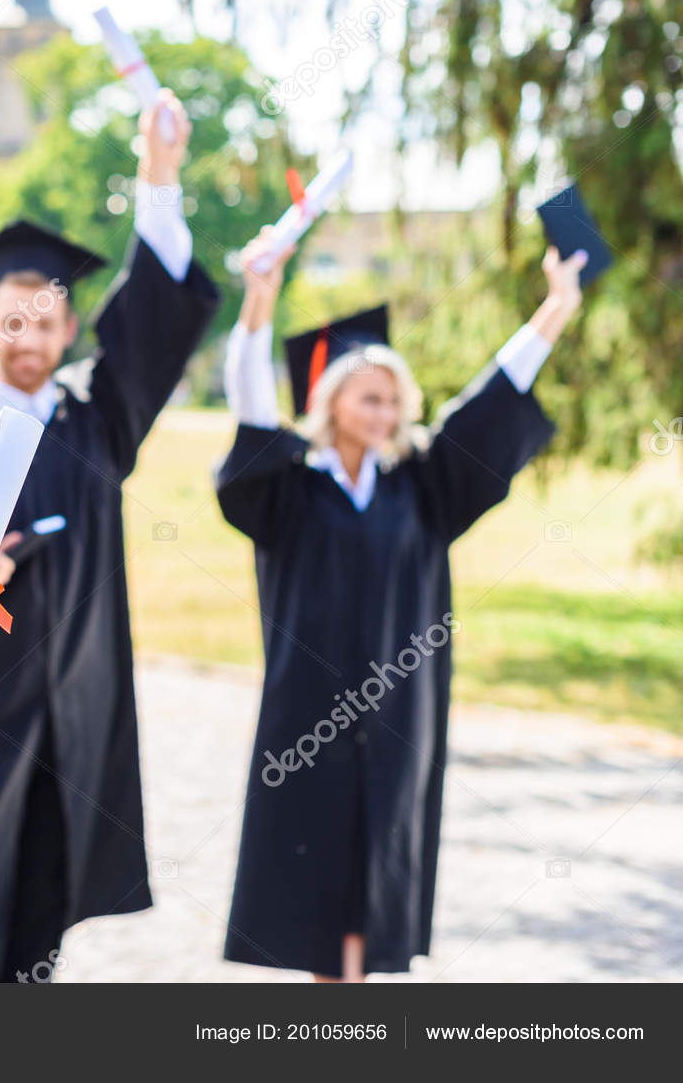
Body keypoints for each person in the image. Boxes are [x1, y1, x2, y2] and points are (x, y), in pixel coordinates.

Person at [0, 91, 221, 982]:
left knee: (45, 901)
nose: (33, 334)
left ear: (66, 328)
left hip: (76, 709)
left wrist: (160, 178)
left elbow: (154, 328)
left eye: (50, 318)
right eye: (14, 318)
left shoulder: (98, 420)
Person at [215, 228, 585, 981]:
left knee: (378, 871)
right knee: (316, 873)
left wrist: (554, 309)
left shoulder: (424, 486)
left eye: (395, 400)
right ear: (332, 401)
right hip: (309, 714)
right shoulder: (288, 489)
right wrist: (260, 297)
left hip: (397, 714)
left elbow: (491, 398)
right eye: (370, 397)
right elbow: (252, 408)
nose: (386, 412)